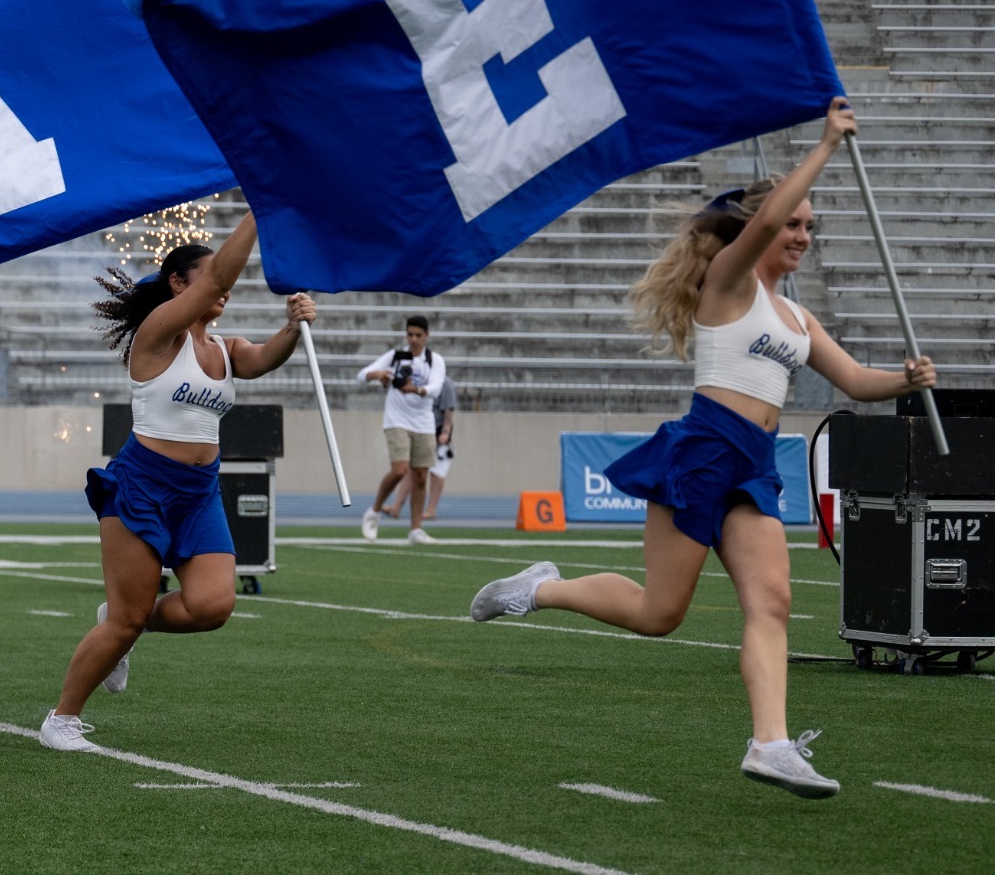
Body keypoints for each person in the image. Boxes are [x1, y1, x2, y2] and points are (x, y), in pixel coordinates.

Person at [471, 99, 937, 799]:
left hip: (753, 463)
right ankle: (538, 588)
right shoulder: (729, 281)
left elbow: (853, 380)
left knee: (772, 601)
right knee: (660, 613)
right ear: (759, 226)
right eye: (795, 223)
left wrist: (904, 377)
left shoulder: (797, 316)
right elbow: (772, 217)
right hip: (702, 450)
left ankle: (771, 743)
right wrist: (825, 144)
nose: (802, 235)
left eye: (813, 226)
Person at [41, 211, 315, 751]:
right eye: (211, 278)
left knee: (213, 606)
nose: (225, 291)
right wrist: (261, 213)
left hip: (199, 492)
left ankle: (124, 626)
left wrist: (292, 326)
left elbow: (261, 361)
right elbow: (219, 279)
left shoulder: (226, 349)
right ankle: (62, 719)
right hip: (142, 483)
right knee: (127, 618)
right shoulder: (160, 334)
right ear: (177, 285)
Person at [358, 317, 447, 543]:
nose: (414, 339)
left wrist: (416, 390)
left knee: (420, 475)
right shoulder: (395, 356)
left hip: (424, 422)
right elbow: (362, 375)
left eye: (418, 335)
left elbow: (436, 388)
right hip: (397, 420)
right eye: (410, 335)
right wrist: (377, 375)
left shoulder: (434, 360)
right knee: (399, 470)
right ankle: (374, 512)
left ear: (427, 335)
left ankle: (416, 529)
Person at [384, 377, 455, 521]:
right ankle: (396, 507)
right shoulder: (419, 380)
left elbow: (448, 411)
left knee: (437, 473)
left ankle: (431, 510)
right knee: (413, 470)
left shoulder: (445, 384)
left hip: (436, 431)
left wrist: (445, 432)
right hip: (421, 429)